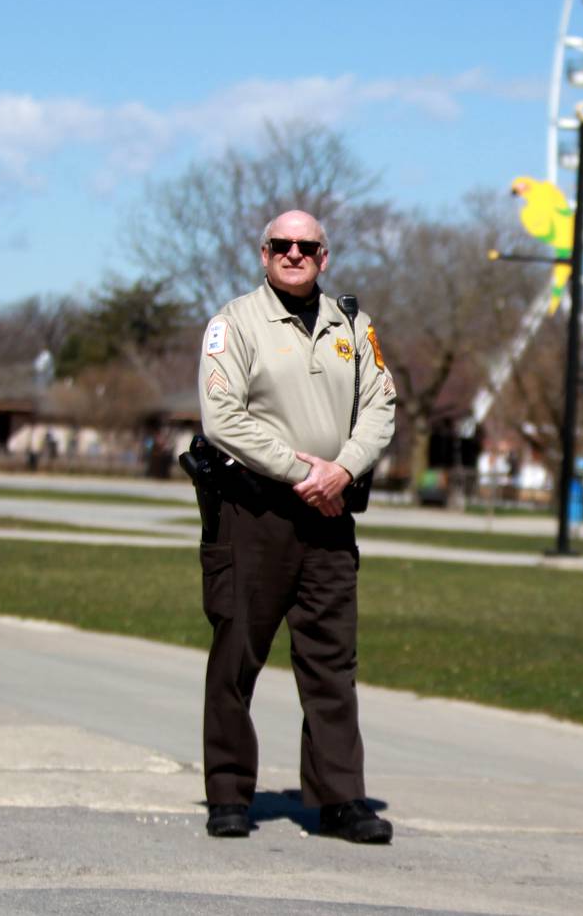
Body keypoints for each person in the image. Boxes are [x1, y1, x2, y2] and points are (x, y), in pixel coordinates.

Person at [195, 209, 396, 843]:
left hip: (331, 516)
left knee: (331, 663)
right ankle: (229, 794)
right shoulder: (235, 323)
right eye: (281, 245)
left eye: (306, 246)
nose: (293, 254)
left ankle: (339, 800)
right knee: (237, 656)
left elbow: (380, 406)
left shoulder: (354, 325)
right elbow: (221, 418)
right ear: (262, 253)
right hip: (253, 514)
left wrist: (343, 469)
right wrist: (298, 473)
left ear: (324, 257)